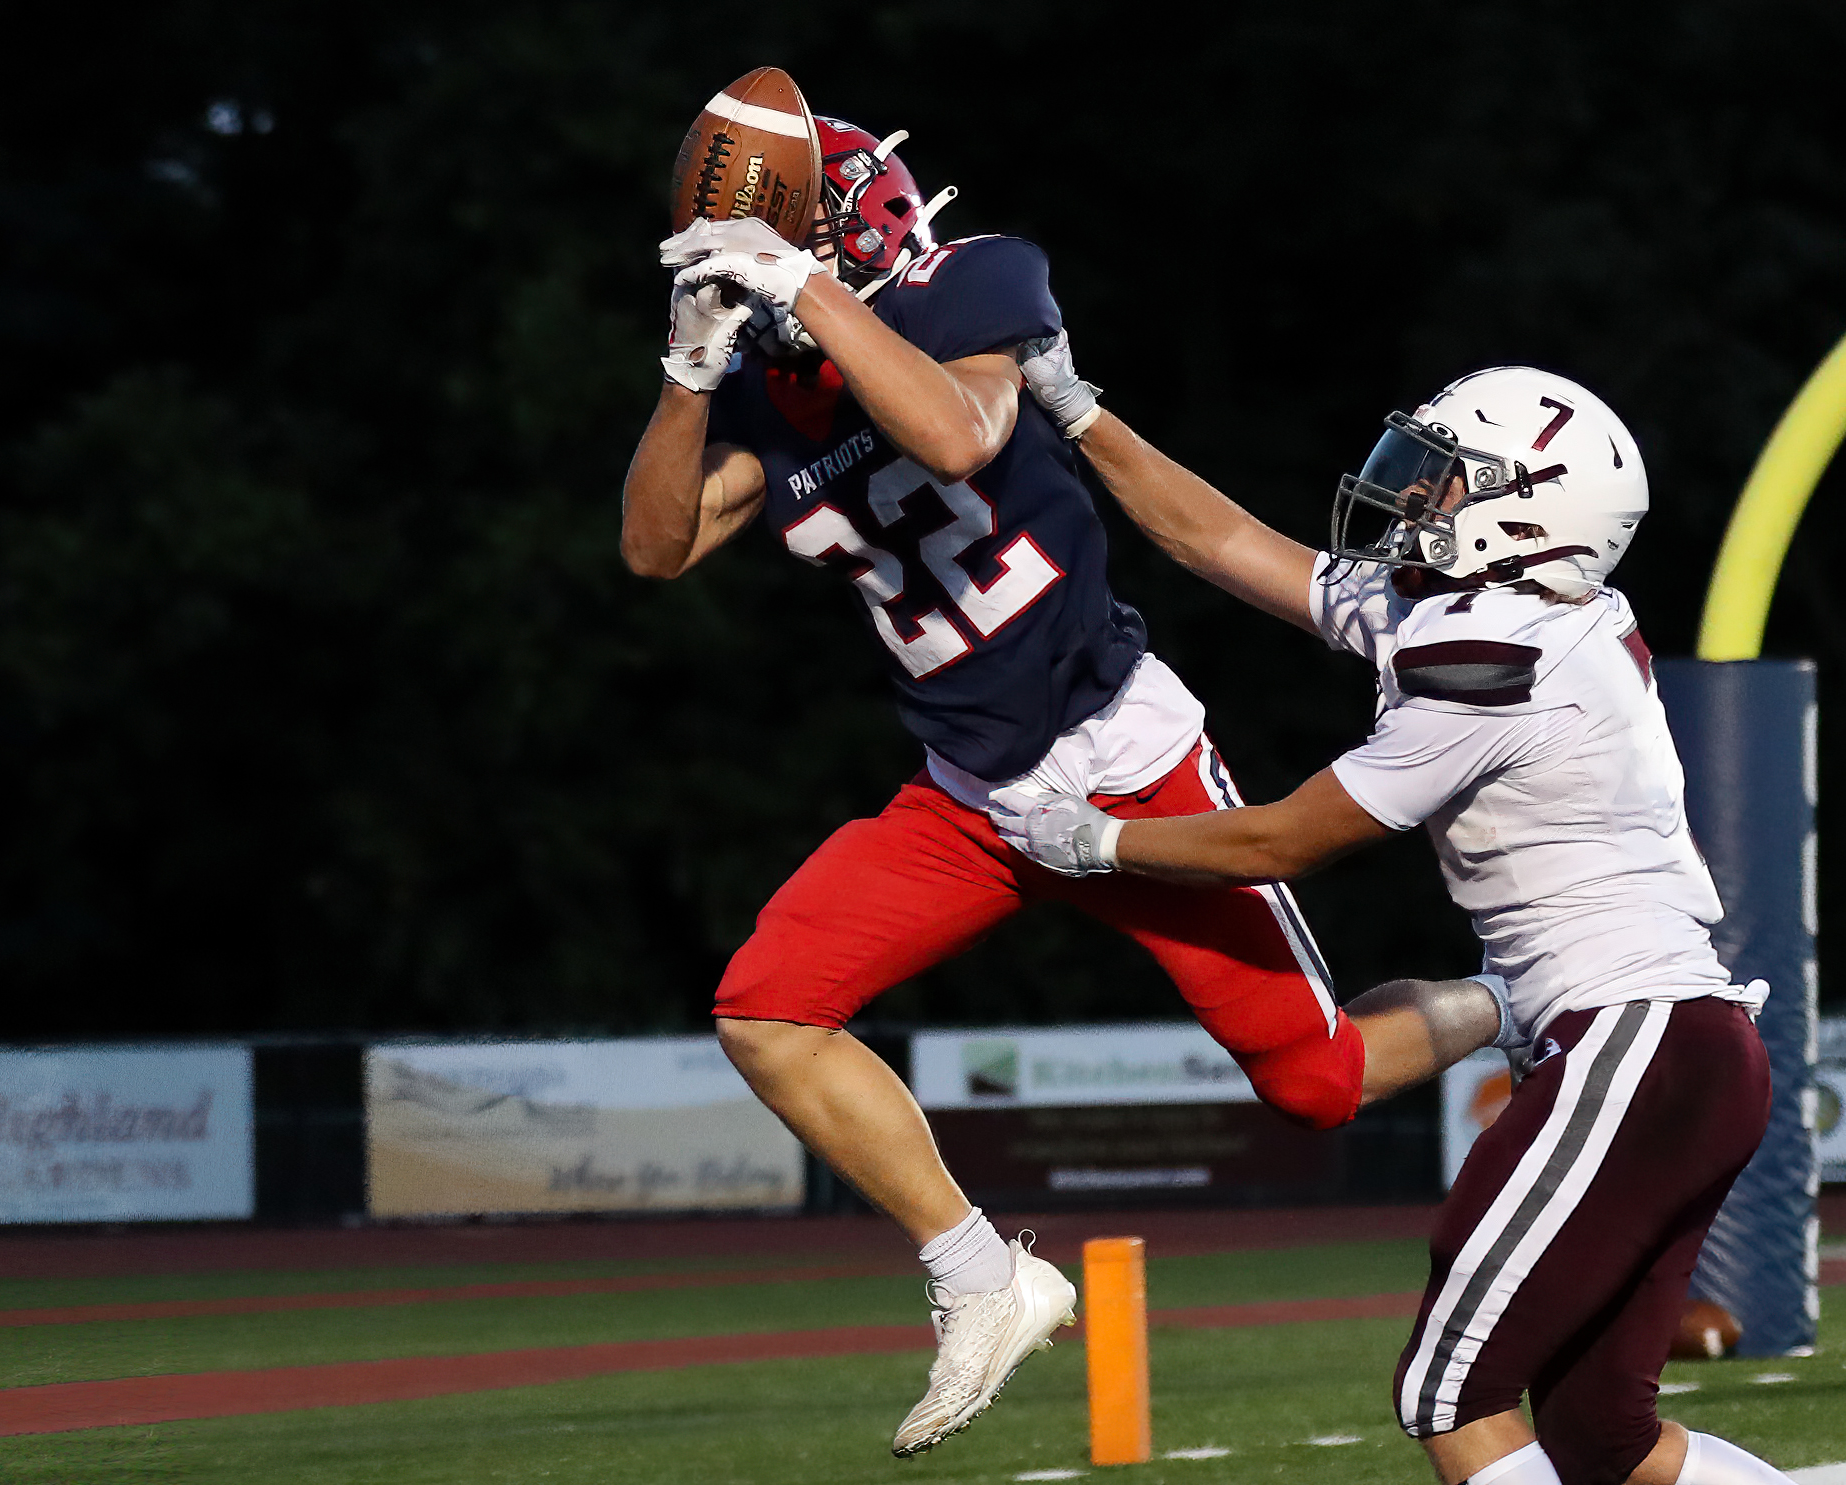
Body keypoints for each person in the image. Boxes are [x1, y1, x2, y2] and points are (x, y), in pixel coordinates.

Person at [619, 111, 1509, 1457]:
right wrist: (688, 375)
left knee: (1317, 1080)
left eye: (785, 243)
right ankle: (982, 1277)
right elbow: (654, 549)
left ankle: (1513, 997)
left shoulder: (972, 283)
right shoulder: (762, 395)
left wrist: (803, 285)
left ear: (843, 238)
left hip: (1125, 765)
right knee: (767, 1010)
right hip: (970, 799)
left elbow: (958, 437)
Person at [999, 348, 1797, 1485]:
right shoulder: (1523, 612)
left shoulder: (1495, 661)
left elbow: (1278, 841)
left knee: (1449, 1393)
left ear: (1529, 514)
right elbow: (1222, 542)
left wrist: (1095, 841)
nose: (1418, 491)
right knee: (1600, 1437)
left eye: (1452, 476)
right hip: (1688, 1047)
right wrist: (1082, 413)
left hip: (1632, 1041)